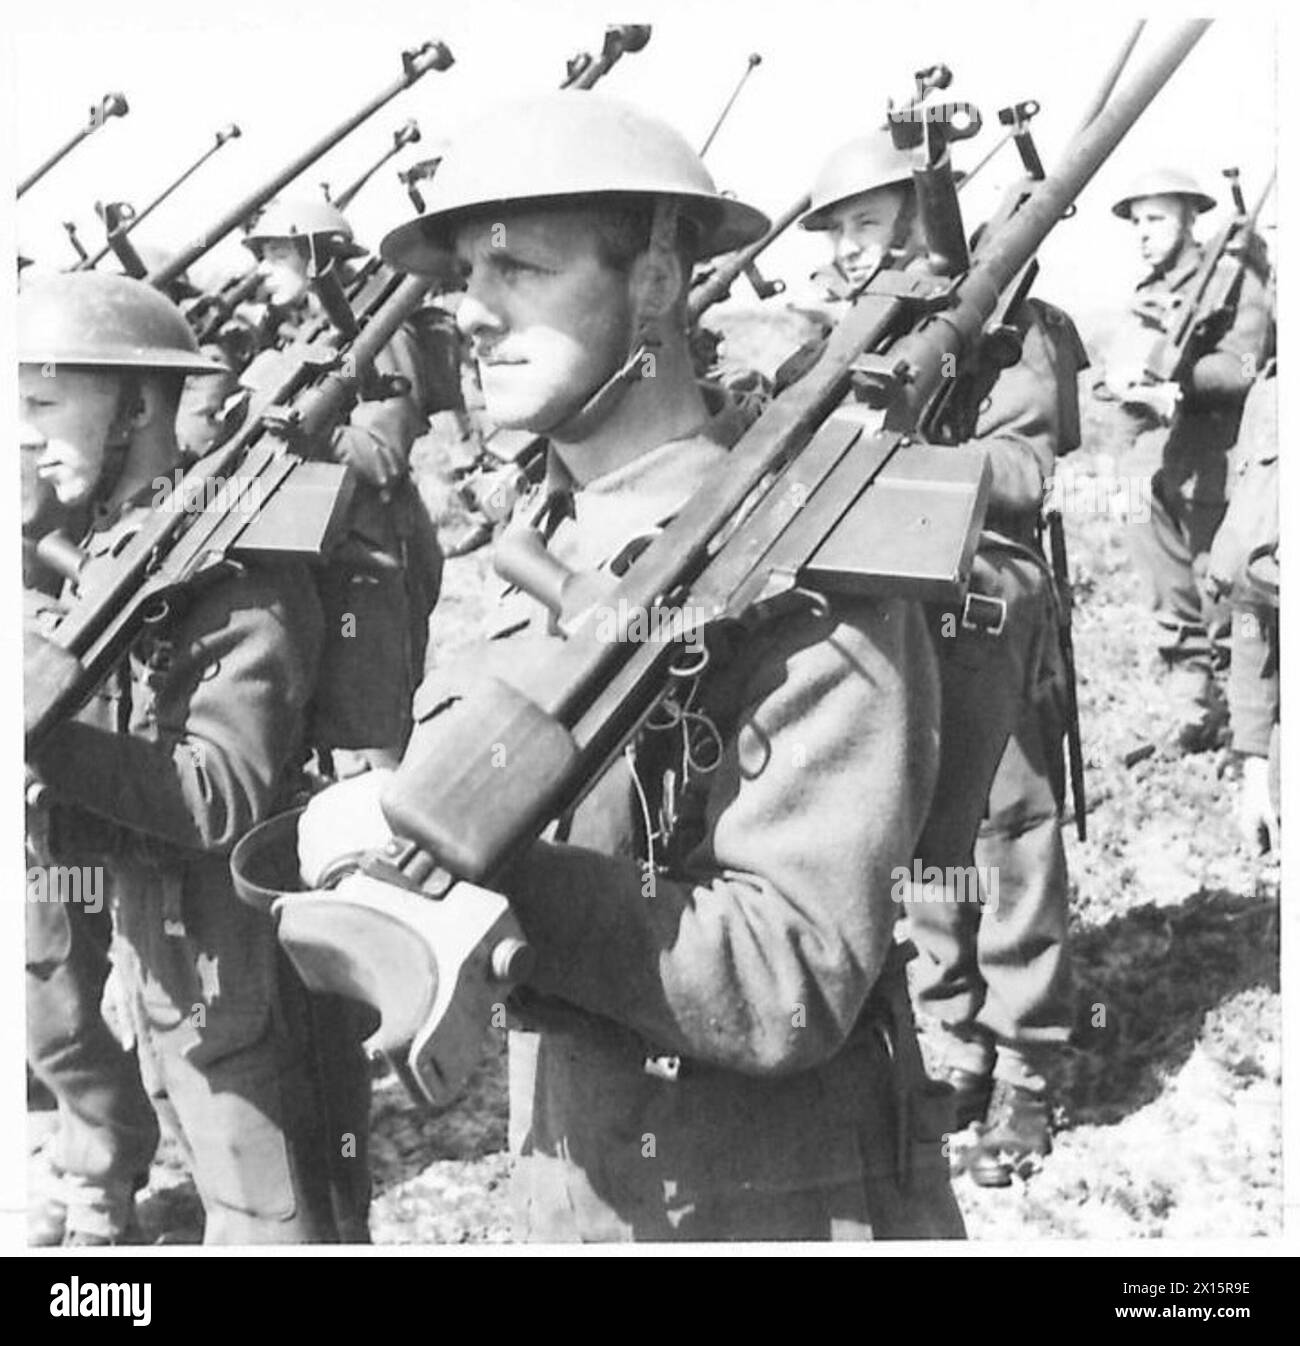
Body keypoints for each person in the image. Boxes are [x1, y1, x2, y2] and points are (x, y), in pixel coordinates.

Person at [20, 271, 371, 1243]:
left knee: (267, 1207)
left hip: (231, 950)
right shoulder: (109, 544)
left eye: (44, 404)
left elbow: (221, 792)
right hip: (161, 931)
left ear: (135, 405)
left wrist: (39, 728)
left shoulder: (236, 572)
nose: (20, 429)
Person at [798, 132, 1085, 1183]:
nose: (844, 251)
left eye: (865, 225)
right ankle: (953, 1034)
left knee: (1006, 827)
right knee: (916, 820)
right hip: (885, 592)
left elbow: (1025, 469)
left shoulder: (1011, 327)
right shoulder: (850, 329)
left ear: (918, 220)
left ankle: (1026, 1064)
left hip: (985, 596)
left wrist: (903, 451)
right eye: (834, 232)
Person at [239, 194, 446, 766]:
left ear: (316, 257)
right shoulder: (299, 332)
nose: (262, 271)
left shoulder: (382, 336)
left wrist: (308, 433)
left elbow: (381, 456)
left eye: (275, 255)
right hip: (317, 546)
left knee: (375, 719)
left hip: (373, 556)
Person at [1102, 169, 1274, 751]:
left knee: (1222, 590)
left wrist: (1170, 378)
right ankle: (1195, 707)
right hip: (1155, 466)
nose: (1143, 233)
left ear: (1190, 218)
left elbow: (1246, 369)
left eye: (1157, 219)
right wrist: (1121, 455)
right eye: (1137, 222)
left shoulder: (1236, 277)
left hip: (1221, 459)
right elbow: (1125, 387)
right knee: (1166, 590)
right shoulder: (1150, 289)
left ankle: (1249, 731)